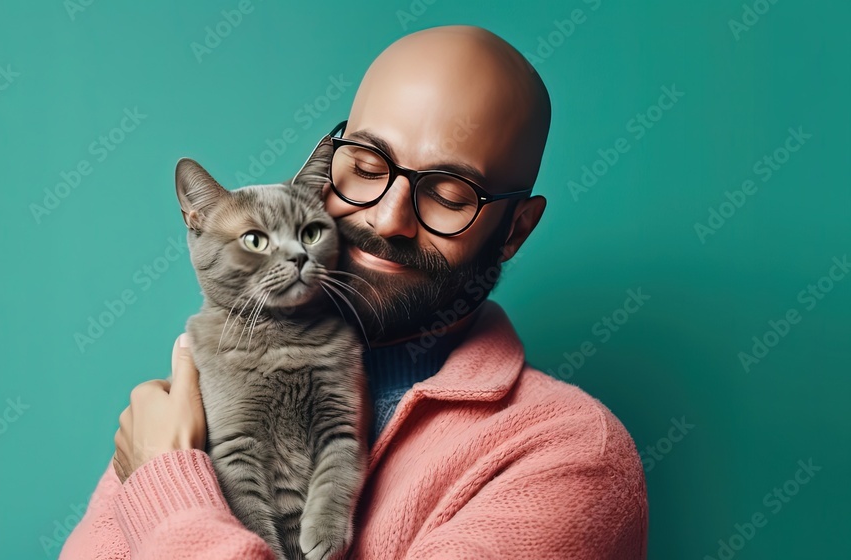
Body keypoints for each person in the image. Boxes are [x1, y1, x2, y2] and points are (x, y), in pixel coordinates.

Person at [60, 25, 648, 560]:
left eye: (448, 193)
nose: (389, 219)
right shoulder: (199, 381)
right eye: (367, 166)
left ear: (514, 229)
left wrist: (165, 481)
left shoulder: (567, 457)